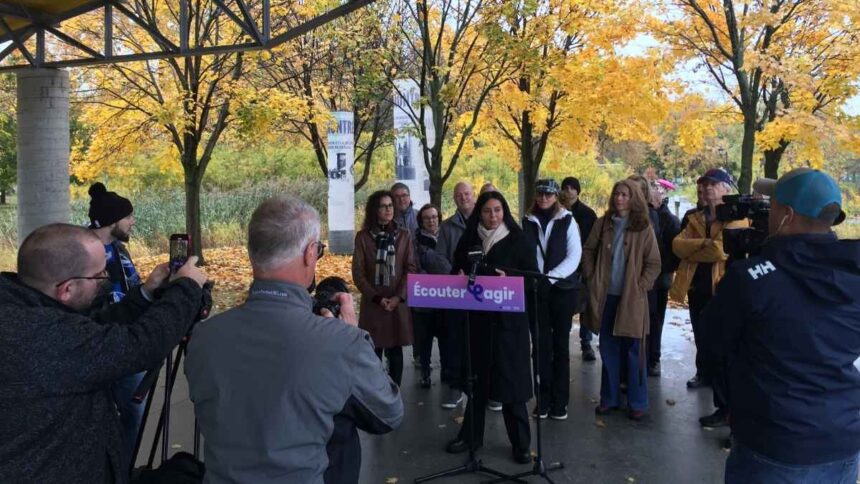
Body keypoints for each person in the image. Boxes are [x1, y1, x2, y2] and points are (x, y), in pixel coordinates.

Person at [186, 196, 403, 484]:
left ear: (252, 254)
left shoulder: (204, 337)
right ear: (310, 253)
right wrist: (353, 337)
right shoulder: (341, 343)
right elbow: (389, 413)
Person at [0, 223, 206, 484]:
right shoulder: (42, 334)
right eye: (99, 276)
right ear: (67, 289)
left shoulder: (18, 306)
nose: (105, 281)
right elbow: (141, 345)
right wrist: (187, 287)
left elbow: (93, 329)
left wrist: (145, 293)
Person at [701, 169, 859, 483]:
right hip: (843, 439)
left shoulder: (751, 280)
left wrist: (734, 403)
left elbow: (711, 348)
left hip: (773, 443)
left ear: (787, 215)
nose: (765, 211)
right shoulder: (851, 271)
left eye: (771, 204)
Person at [445, 191, 536, 464]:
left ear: (504, 211)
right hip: (477, 324)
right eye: (487, 211)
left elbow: (533, 280)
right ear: (479, 214)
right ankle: (471, 436)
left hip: (509, 327)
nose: (493, 216)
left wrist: (510, 280)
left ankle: (521, 444)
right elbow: (456, 268)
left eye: (497, 210)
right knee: (477, 382)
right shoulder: (470, 238)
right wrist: (458, 275)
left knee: (511, 386)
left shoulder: (519, 240)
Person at [670, 168, 747, 427]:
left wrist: (697, 247)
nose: (706, 189)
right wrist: (703, 246)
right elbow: (677, 246)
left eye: (712, 184)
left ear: (727, 188)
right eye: (703, 185)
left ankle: (730, 411)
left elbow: (719, 250)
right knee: (706, 344)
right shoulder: (694, 217)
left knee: (725, 351)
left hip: (723, 293)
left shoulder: (738, 217)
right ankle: (721, 404)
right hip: (696, 290)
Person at [582, 180, 661, 421]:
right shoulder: (603, 223)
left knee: (634, 352)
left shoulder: (643, 227)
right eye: (617, 194)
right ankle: (609, 398)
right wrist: (590, 275)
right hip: (606, 297)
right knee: (608, 349)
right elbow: (588, 250)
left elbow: (654, 263)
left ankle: (638, 402)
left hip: (632, 300)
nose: (619, 199)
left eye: (625, 195)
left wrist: (640, 286)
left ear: (634, 198)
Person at [86, 182, 147, 463]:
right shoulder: (82, 252)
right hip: (96, 345)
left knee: (134, 412)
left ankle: (122, 467)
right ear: (112, 221)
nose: (133, 221)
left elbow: (132, 288)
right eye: (128, 217)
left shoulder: (120, 251)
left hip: (125, 344)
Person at [522, 179, 582, 420]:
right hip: (536, 290)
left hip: (561, 291)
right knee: (540, 347)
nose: (544, 198)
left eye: (548, 194)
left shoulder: (567, 219)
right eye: (540, 194)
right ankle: (543, 399)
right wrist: (535, 279)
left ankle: (561, 400)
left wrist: (551, 278)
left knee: (560, 347)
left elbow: (574, 255)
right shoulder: (527, 220)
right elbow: (524, 252)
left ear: (556, 196)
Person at [352, 190, 417, 386]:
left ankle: (394, 392)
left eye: (390, 205)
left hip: (397, 303)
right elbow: (358, 274)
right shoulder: (363, 237)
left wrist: (398, 297)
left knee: (396, 351)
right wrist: (377, 298)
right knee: (373, 353)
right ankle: (375, 394)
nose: (388, 209)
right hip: (374, 304)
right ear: (374, 209)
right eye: (383, 206)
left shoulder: (404, 236)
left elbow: (410, 268)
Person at [435, 181, 475, 409]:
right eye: (459, 195)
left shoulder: (486, 220)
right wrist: (453, 272)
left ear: (473, 195)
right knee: (455, 342)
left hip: (483, 291)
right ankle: (456, 388)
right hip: (455, 291)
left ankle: (487, 391)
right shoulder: (448, 226)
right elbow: (439, 256)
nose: (463, 198)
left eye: (466, 193)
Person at [412, 203, 452, 388]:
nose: (431, 221)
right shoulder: (415, 240)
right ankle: (425, 372)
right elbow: (414, 265)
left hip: (446, 296)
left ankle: (446, 371)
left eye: (434, 217)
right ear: (421, 220)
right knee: (425, 339)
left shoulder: (446, 235)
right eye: (427, 218)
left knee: (445, 337)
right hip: (425, 296)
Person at [561, 176, 599, 361]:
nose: (568, 191)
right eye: (565, 188)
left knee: (585, 306)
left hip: (583, 266)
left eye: (572, 188)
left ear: (578, 191)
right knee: (565, 306)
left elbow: (592, 243)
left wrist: (588, 267)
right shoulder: (557, 212)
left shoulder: (588, 214)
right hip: (563, 267)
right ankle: (561, 343)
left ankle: (586, 344)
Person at [646, 179, 681, 376]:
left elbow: (674, 252)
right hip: (650, 276)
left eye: (655, 193)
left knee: (656, 318)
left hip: (661, 278)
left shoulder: (670, 220)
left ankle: (654, 358)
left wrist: (658, 269)